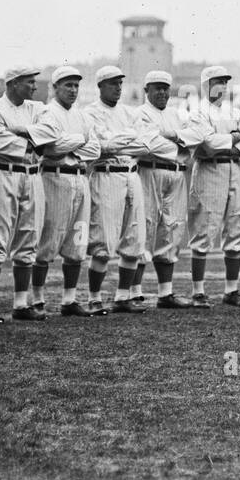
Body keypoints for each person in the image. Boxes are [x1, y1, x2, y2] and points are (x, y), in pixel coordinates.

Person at [0, 66, 45, 322]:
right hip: (2, 173)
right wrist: (34, 136)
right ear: (13, 83)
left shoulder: (37, 108)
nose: (34, 87)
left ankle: (21, 303)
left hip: (33, 174)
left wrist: (20, 131)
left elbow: (53, 135)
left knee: (28, 237)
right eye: (29, 82)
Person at [28, 66, 101, 317]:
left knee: (77, 242)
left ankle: (69, 299)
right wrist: (78, 142)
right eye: (67, 85)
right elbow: (49, 148)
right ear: (55, 87)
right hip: (55, 178)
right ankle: (37, 298)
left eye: (76, 85)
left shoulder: (82, 116)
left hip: (81, 178)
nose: (72, 90)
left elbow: (95, 149)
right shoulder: (48, 112)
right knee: (48, 240)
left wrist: (70, 145)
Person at [82, 66, 149, 314]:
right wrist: (119, 141)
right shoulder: (90, 113)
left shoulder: (129, 113)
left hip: (132, 175)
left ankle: (123, 296)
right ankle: (95, 296)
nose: (118, 88)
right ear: (100, 86)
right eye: (112, 83)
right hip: (106, 175)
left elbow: (145, 144)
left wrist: (115, 141)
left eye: (120, 83)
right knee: (103, 239)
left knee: (134, 237)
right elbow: (99, 146)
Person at [133, 70, 202, 308]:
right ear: (146, 91)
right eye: (156, 87)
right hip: (149, 171)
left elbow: (194, 138)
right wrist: (177, 141)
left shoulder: (176, 114)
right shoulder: (140, 113)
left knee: (172, 228)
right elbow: (148, 144)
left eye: (165, 87)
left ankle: (166, 293)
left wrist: (170, 136)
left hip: (176, 173)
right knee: (145, 225)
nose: (162, 92)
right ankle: (134, 292)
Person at [186, 66, 240, 306]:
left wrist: (231, 144)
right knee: (204, 227)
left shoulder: (235, 111)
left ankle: (231, 290)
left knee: (237, 224)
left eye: (225, 82)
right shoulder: (197, 112)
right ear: (206, 85)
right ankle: (198, 291)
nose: (222, 87)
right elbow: (209, 144)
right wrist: (234, 138)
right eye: (217, 82)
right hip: (209, 169)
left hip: (234, 168)